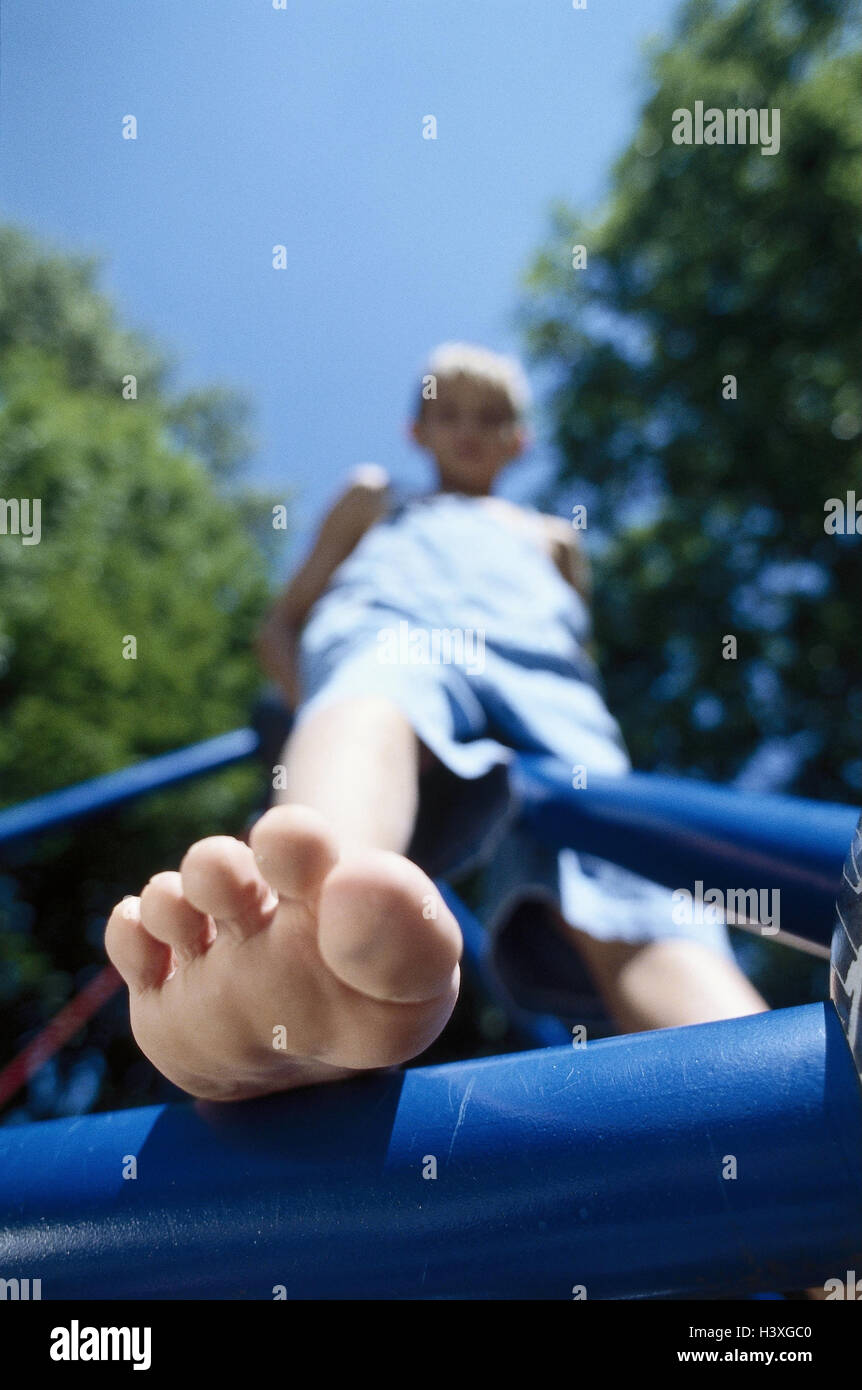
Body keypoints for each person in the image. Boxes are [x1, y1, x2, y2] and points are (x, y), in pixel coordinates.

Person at [105, 342, 768, 1103]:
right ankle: (306, 937)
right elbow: (278, 627)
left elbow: (577, 644)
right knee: (369, 706)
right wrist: (314, 706)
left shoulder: (553, 537)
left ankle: (745, 1074)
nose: (467, 430)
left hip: (544, 683)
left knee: (624, 871)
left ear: (519, 442)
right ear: (415, 431)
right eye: (446, 414)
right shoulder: (377, 498)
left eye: (489, 419)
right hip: (400, 628)